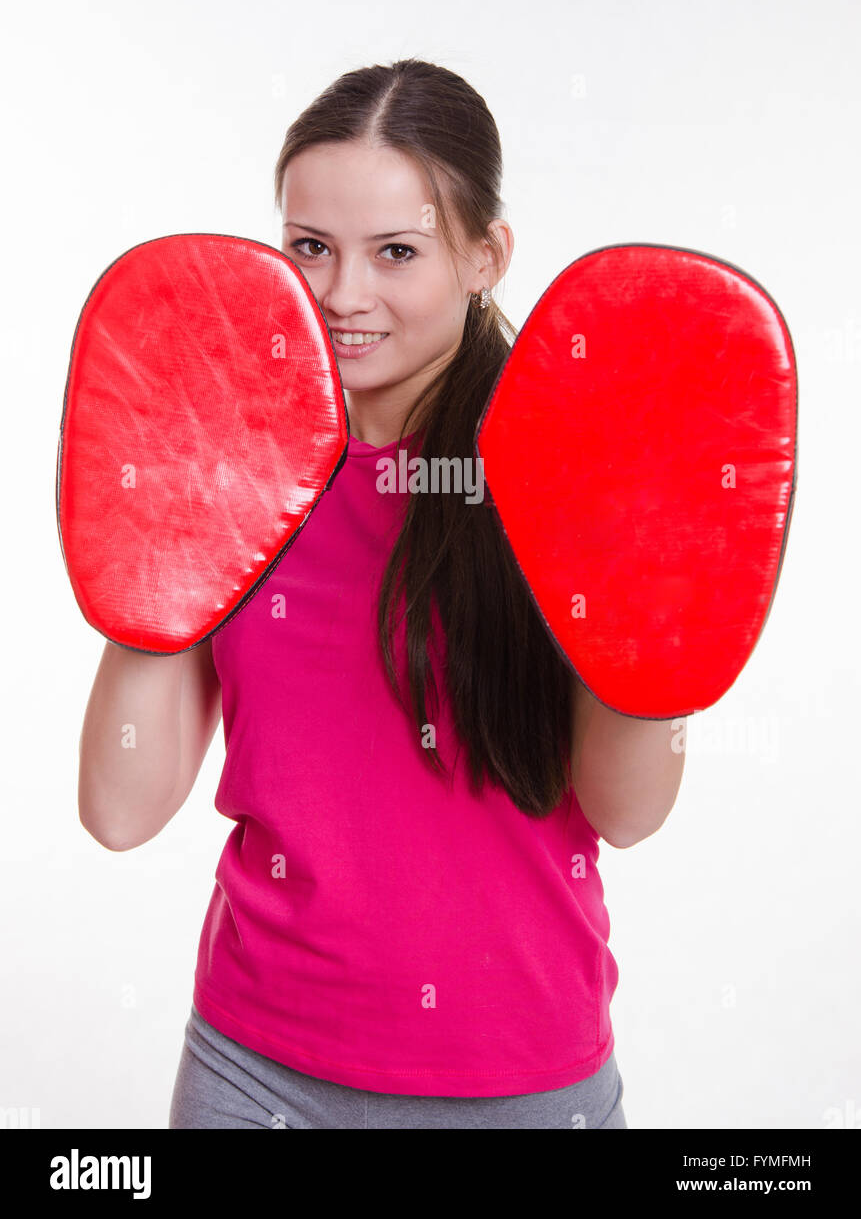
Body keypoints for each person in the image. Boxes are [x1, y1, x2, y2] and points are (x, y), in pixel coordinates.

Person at [80, 58, 685, 1128]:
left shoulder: (558, 473)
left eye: (395, 252)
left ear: (484, 256)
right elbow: (121, 810)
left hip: (524, 1080)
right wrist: (163, 525)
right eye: (310, 246)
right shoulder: (241, 466)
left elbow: (629, 813)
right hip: (253, 1071)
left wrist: (653, 609)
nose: (341, 294)